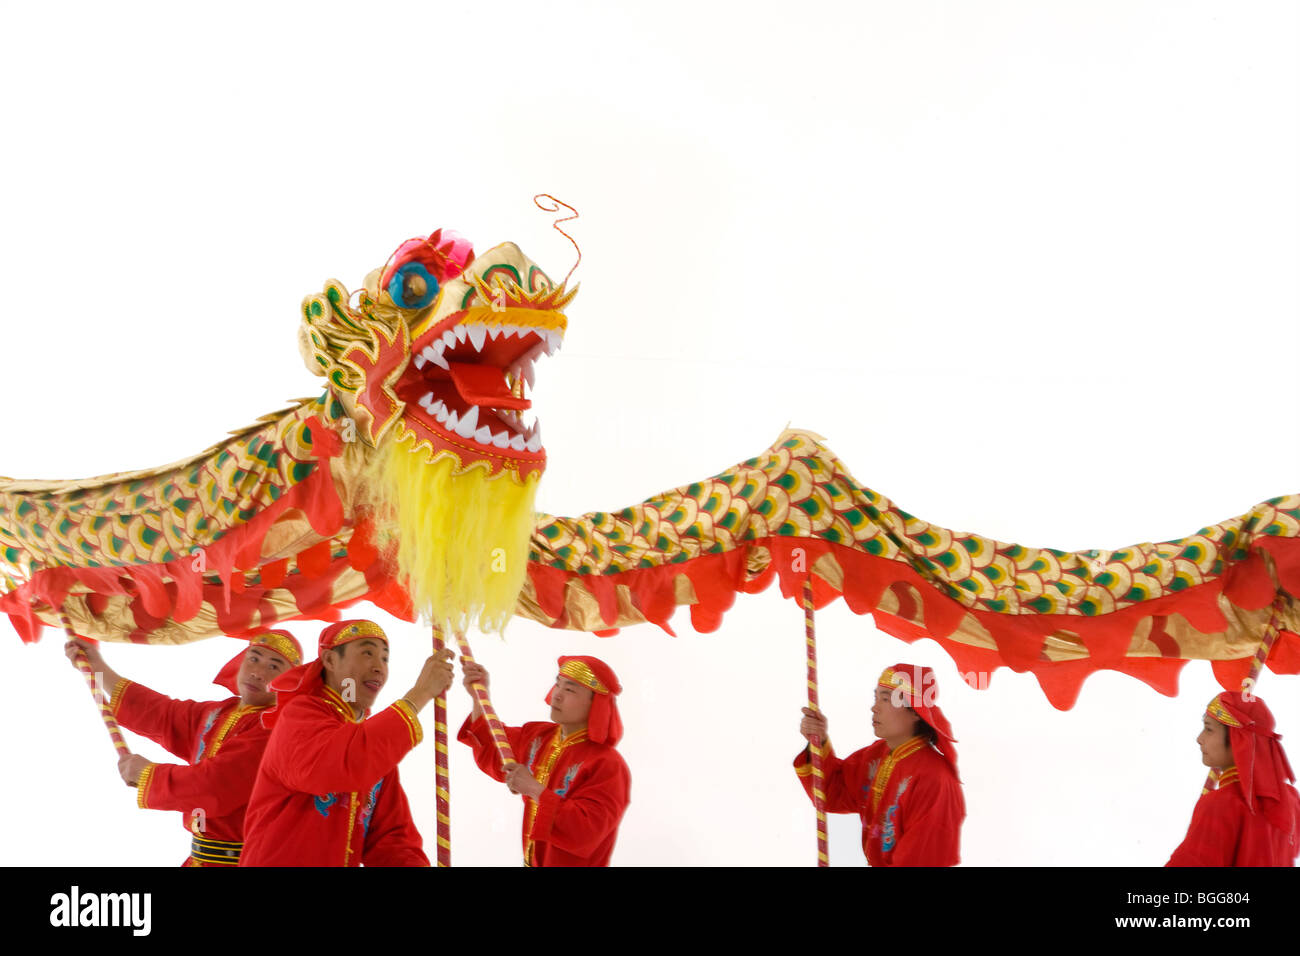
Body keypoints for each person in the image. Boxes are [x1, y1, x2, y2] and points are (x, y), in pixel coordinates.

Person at [64, 629, 303, 866]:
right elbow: (162, 714)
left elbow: (215, 785)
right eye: (254, 658)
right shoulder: (219, 712)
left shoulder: (274, 729)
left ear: (289, 681)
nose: (257, 673)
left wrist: (148, 773)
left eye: (274, 667)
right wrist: (98, 668)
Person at [239, 619, 452, 867]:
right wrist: (419, 695)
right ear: (330, 660)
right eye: (367, 653)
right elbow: (342, 762)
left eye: (385, 658)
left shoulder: (372, 744)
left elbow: (391, 841)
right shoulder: (299, 716)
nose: (379, 667)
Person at [458, 655, 631, 866]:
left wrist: (534, 789)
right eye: (558, 684)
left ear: (595, 703)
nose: (557, 695)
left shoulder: (607, 765)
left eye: (570, 690)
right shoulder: (538, 737)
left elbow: (586, 831)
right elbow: (493, 747)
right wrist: (479, 695)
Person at [796, 662, 964, 866]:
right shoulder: (877, 755)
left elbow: (921, 859)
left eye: (885, 699)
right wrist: (819, 740)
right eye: (876, 698)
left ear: (915, 711)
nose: (874, 707)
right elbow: (833, 792)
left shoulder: (934, 779)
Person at [1166, 690, 1300, 866]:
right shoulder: (1291, 800)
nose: (1200, 738)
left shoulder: (1219, 803)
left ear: (1240, 739)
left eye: (1209, 729)